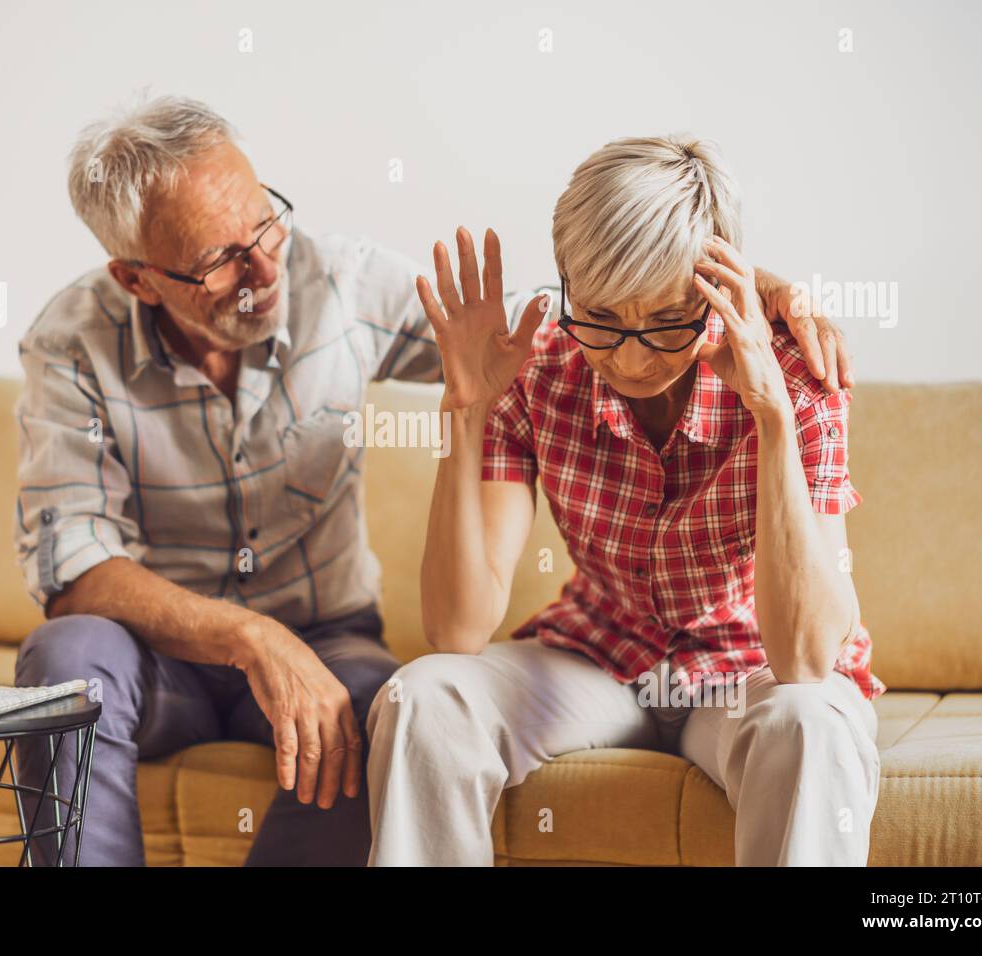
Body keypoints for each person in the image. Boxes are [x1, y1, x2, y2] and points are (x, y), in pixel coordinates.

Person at [12, 97, 856, 866]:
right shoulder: (70, 343)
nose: (267, 267)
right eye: (221, 260)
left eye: (267, 225)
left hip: (338, 639)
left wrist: (760, 299)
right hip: (170, 653)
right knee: (72, 658)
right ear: (137, 277)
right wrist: (251, 637)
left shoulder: (342, 282)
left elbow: (553, 314)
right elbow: (73, 562)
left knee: (377, 699)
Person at [367, 135, 885, 867]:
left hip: (748, 671)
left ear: (718, 287)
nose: (631, 360)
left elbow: (803, 658)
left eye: (668, 321)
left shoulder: (797, 371)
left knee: (813, 723)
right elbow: (457, 628)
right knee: (422, 696)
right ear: (569, 284)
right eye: (602, 319)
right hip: (601, 661)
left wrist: (770, 411)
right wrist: (467, 409)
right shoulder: (541, 366)